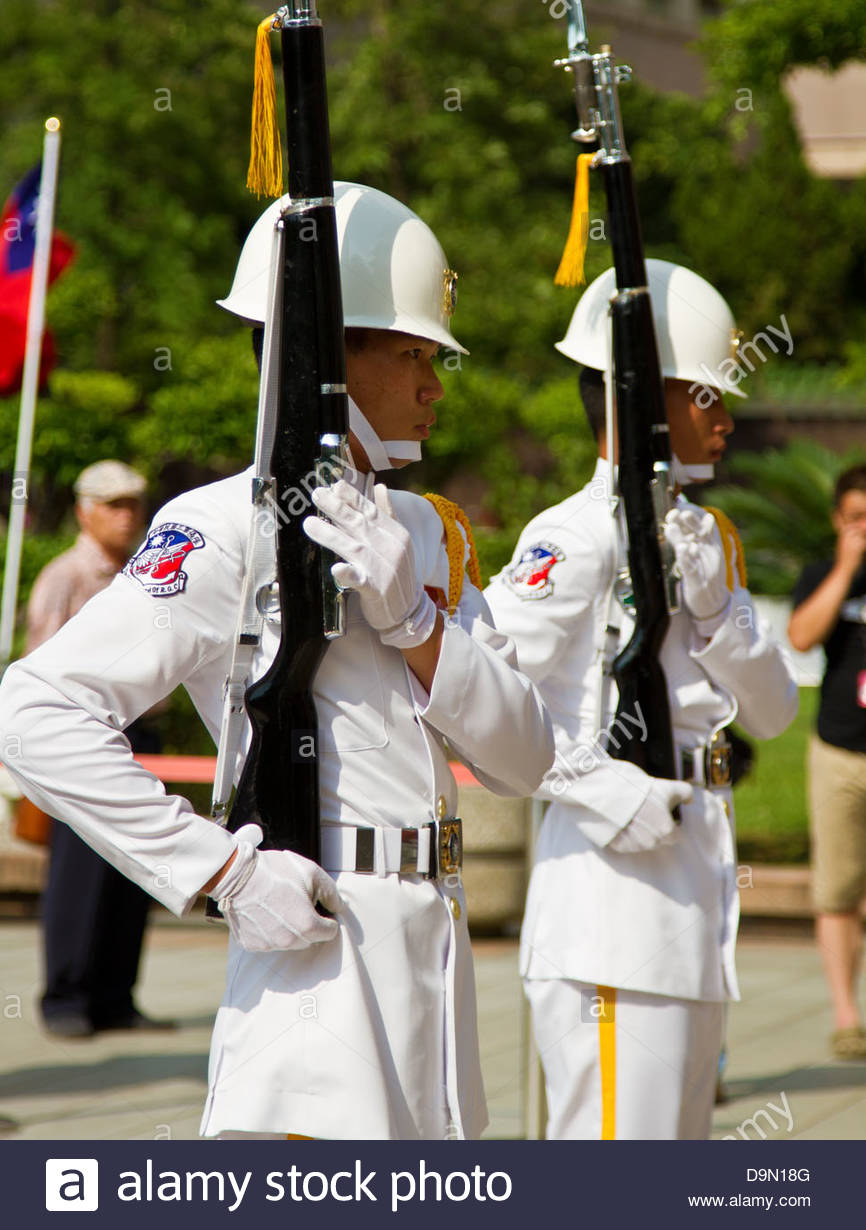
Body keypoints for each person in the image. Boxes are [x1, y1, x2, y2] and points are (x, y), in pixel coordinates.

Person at [0, 182, 554, 1139]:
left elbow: (527, 756)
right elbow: (33, 711)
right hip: (315, 954)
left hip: (436, 956)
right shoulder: (224, 528)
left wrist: (417, 623)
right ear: (322, 360)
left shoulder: (429, 534)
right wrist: (222, 874)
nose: (435, 384)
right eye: (413, 354)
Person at [485, 260, 798, 1140]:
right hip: (610, 911)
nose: (728, 419)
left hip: (694, 906)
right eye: (707, 397)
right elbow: (479, 699)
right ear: (645, 399)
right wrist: (597, 783)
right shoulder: (573, 537)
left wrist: (718, 614)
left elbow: (771, 713)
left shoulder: (710, 541)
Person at [25, 460, 174, 1039]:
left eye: (134, 503)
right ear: (84, 511)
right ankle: (65, 997)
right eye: (114, 504)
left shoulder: (144, 571)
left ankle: (116, 998)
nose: (127, 515)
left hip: (143, 731)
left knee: (136, 868)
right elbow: (41, 668)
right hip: (87, 731)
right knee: (79, 868)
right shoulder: (64, 576)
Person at [788, 465, 866, 1060]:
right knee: (837, 889)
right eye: (855, 518)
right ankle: (846, 1015)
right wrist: (845, 569)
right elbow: (800, 637)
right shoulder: (821, 576)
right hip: (838, 752)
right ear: (837, 521)